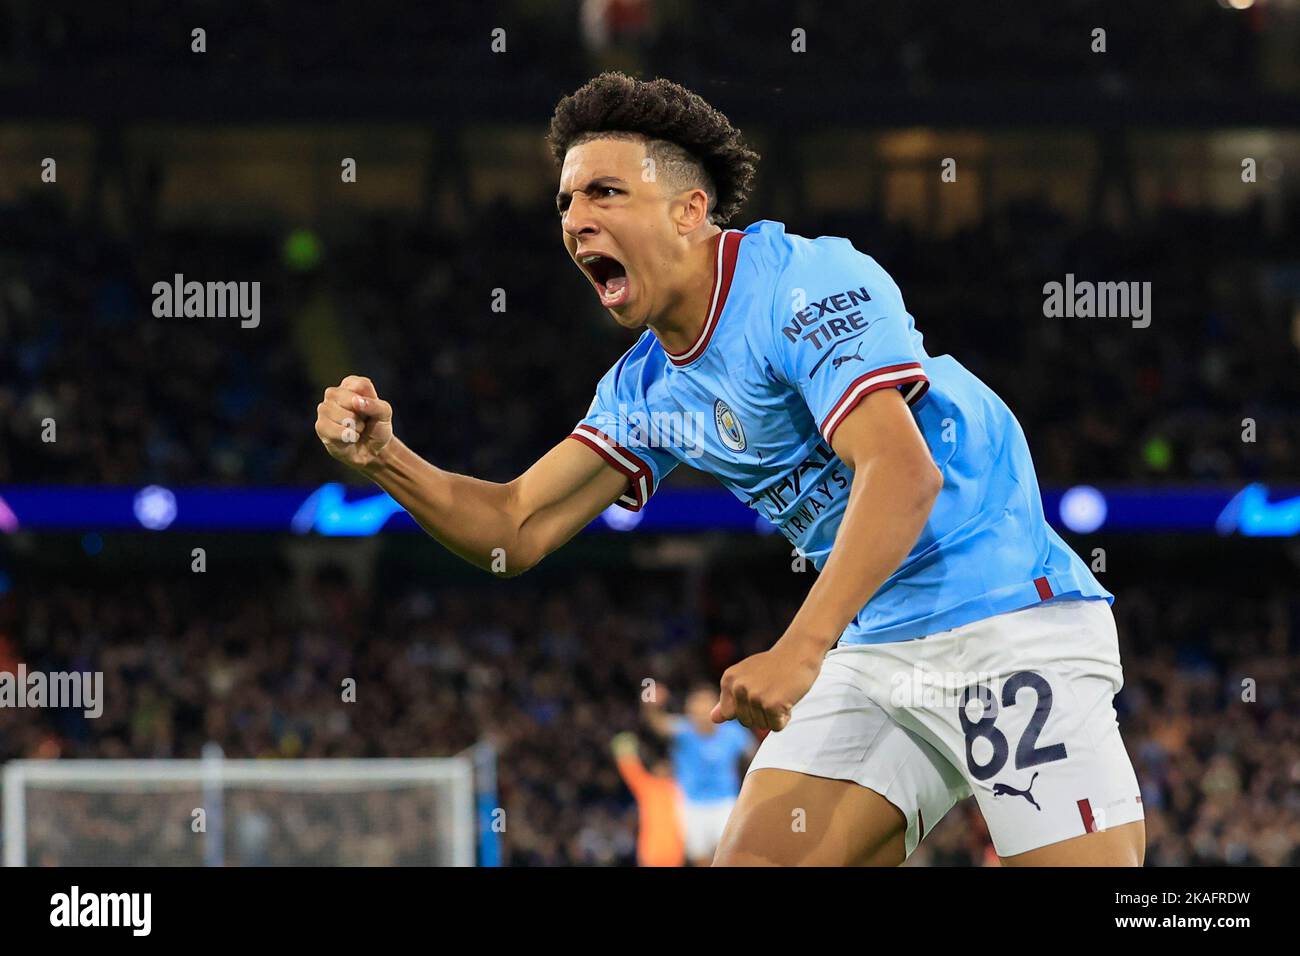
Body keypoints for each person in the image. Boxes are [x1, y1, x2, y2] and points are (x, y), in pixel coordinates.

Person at [314, 72, 1145, 867]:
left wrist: (797, 650)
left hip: (1003, 617)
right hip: (875, 641)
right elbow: (514, 527)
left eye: (605, 192)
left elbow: (903, 473)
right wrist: (383, 456)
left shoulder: (802, 284)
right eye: (565, 200)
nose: (575, 218)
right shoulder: (645, 389)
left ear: (689, 210)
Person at [642, 686, 755, 865]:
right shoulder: (683, 731)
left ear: (717, 708)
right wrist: (651, 706)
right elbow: (659, 725)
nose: (701, 715)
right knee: (700, 859)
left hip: (724, 804)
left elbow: (754, 757)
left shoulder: (734, 732)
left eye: (705, 708)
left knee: (728, 857)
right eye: (696, 710)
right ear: (689, 712)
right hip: (691, 806)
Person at [610, 731, 686, 867]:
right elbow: (629, 769)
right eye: (660, 767)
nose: (663, 770)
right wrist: (624, 745)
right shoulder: (647, 786)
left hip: (675, 851)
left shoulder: (680, 787)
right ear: (654, 770)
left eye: (666, 766)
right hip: (651, 851)